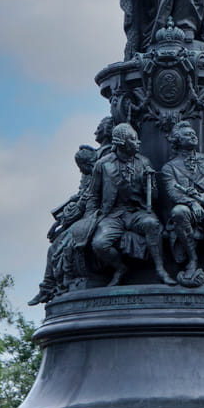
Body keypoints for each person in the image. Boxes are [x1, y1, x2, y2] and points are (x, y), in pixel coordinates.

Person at [90, 123, 175, 286]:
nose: (138, 143)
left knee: (151, 224)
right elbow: (93, 195)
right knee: (99, 244)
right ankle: (120, 268)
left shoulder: (144, 162)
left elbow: (154, 197)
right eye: (133, 139)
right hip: (113, 214)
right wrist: (90, 218)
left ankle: (160, 269)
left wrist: (149, 183)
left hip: (137, 212)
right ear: (121, 142)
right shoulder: (103, 164)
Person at [161, 120, 204, 285]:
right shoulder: (169, 167)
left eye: (193, 133)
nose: (193, 136)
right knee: (178, 212)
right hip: (188, 208)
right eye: (187, 134)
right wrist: (192, 203)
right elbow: (173, 192)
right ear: (178, 140)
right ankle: (192, 259)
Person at [29, 145, 99, 305]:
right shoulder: (90, 174)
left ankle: (63, 281)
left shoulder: (101, 172)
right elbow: (81, 198)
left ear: (88, 163)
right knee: (53, 248)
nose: (81, 171)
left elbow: (84, 202)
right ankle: (47, 288)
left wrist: (62, 222)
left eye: (82, 167)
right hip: (84, 216)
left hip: (95, 216)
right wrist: (59, 222)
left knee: (66, 245)